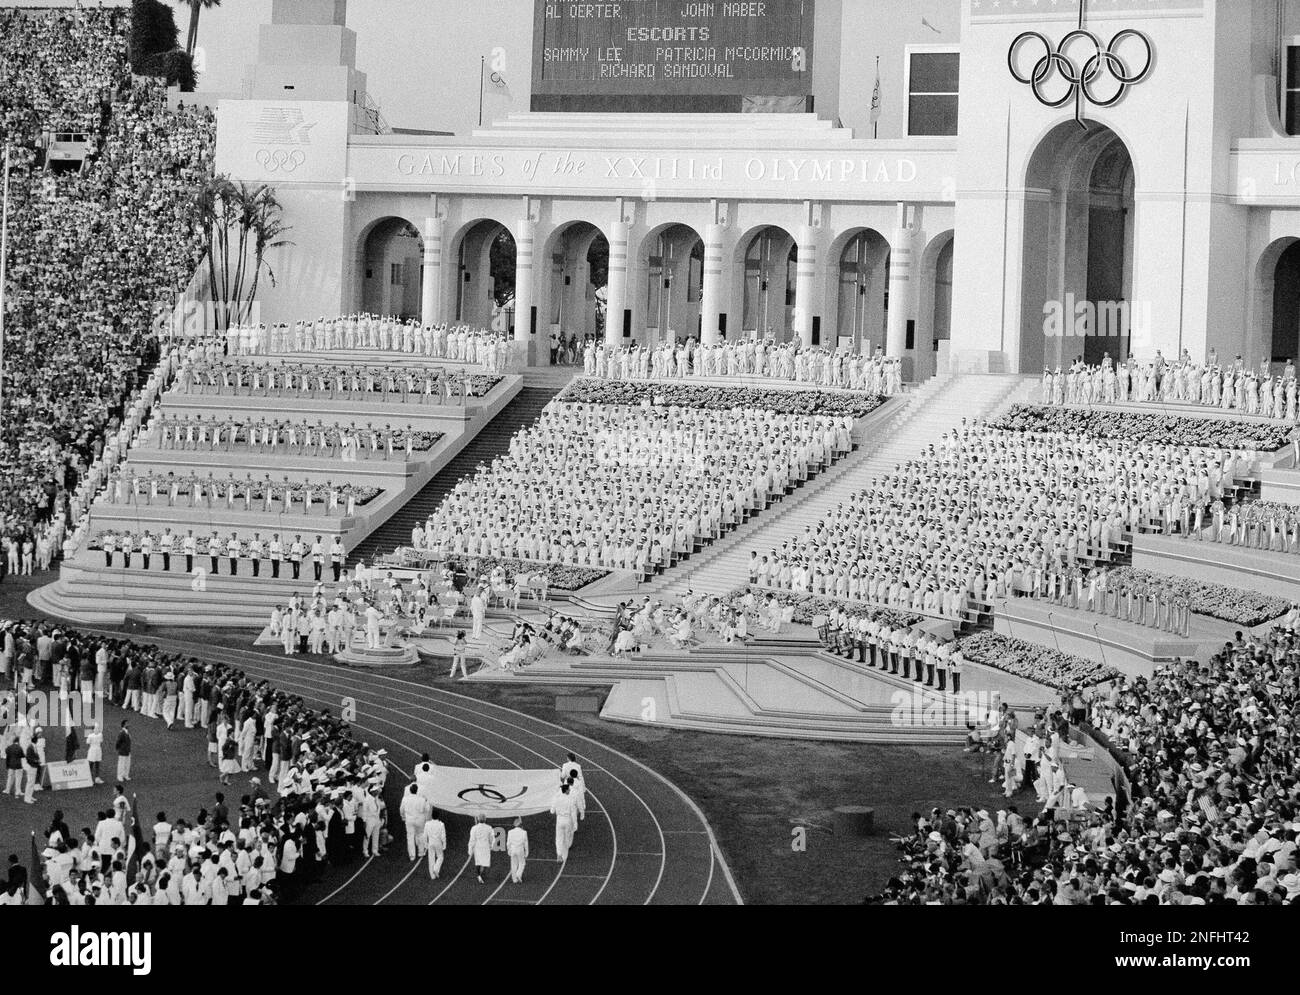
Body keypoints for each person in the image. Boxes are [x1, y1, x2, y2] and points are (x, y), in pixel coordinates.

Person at [398, 784, 430, 863]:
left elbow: (401, 809)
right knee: (420, 834)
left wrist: (403, 817)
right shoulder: (421, 799)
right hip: (420, 819)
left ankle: (412, 856)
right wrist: (425, 817)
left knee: (410, 837)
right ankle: (421, 852)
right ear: (417, 790)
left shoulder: (405, 799)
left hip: (409, 819)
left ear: (410, 790)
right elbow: (427, 809)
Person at [550, 782, 577, 862]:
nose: (569, 790)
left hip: (559, 819)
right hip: (568, 819)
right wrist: (575, 823)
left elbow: (552, 811)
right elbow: (573, 813)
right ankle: (564, 857)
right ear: (566, 791)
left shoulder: (556, 798)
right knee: (566, 838)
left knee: (558, 838)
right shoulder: (570, 800)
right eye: (568, 789)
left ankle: (559, 854)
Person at [468, 813, 493, 884]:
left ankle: (479, 875)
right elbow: (491, 838)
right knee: (484, 861)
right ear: (485, 819)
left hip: (477, 846)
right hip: (485, 846)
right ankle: (481, 873)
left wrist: (470, 848)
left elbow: (472, 839)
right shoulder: (489, 828)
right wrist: (491, 845)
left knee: (478, 861)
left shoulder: (474, 828)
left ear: (478, 820)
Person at [423, 809, 447, 880]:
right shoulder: (441, 824)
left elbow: (424, 835)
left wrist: (425, 844)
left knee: (431, 858)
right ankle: (436, 869)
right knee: (440, 857)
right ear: (438, 816)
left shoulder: (427, 824)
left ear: (431, 816)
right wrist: (444, 844)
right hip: (438, 842)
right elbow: (443, 836)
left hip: (431, 842)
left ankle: (432, 876)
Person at [506, 816, 529, 884]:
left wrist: (509, 850)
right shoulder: (524, 832)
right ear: (520, 825)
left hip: (513, 849)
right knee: (522, 863)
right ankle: (518, 874)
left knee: (513, 864)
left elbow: (508, 843)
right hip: (520, 849)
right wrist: (526, 852)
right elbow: (526, 843)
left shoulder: (510, 832)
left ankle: (514, 879)